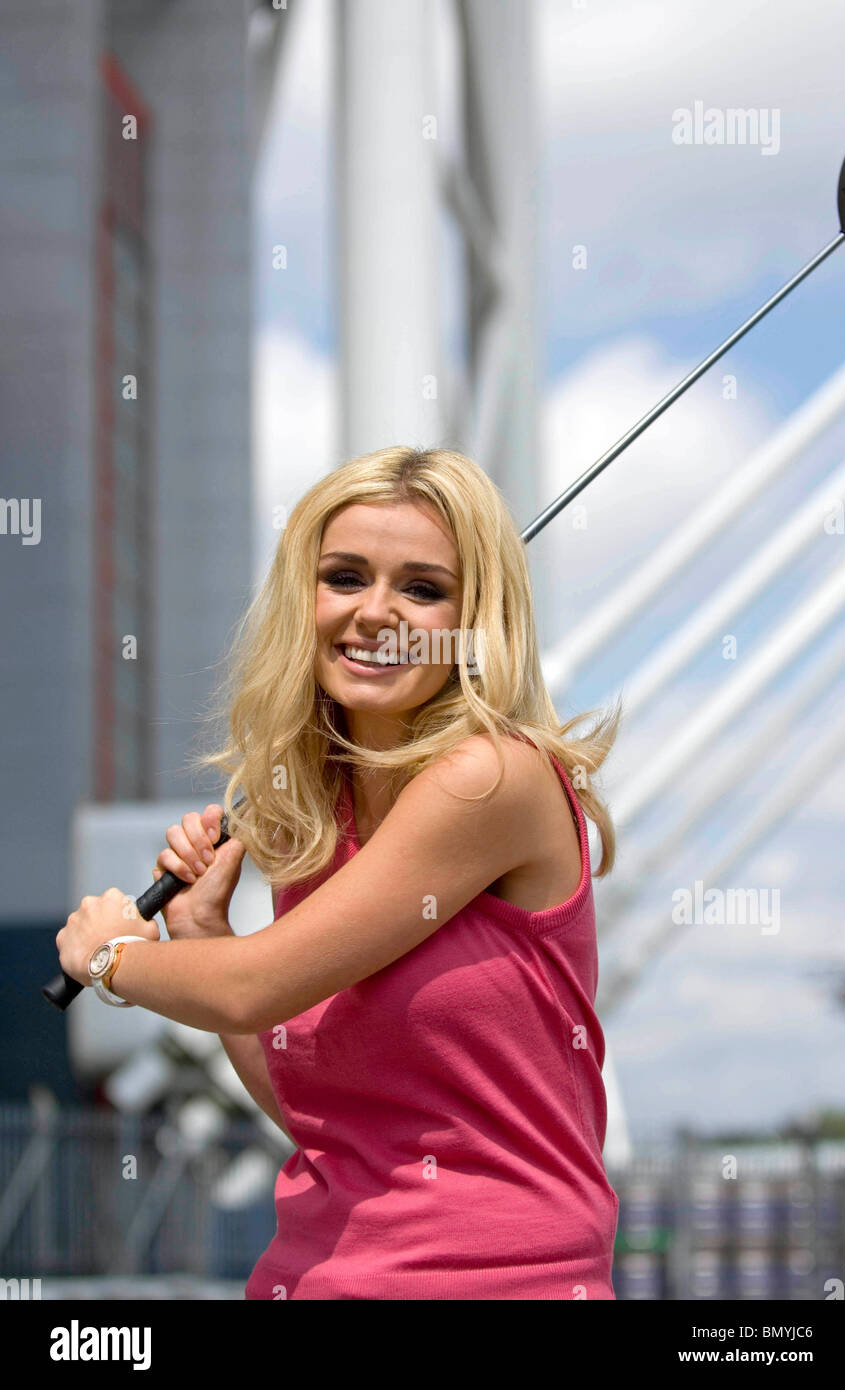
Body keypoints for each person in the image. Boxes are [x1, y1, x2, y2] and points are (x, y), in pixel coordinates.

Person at [58, 444, 623, 1300]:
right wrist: (204, 932)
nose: (376, 614)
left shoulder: (491, 777)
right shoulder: (325, 817)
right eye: (346, 577)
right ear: (303, 598)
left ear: (479, 618)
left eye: (423, 589)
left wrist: (114, 959)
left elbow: (255, 986)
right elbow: (329, 1119)